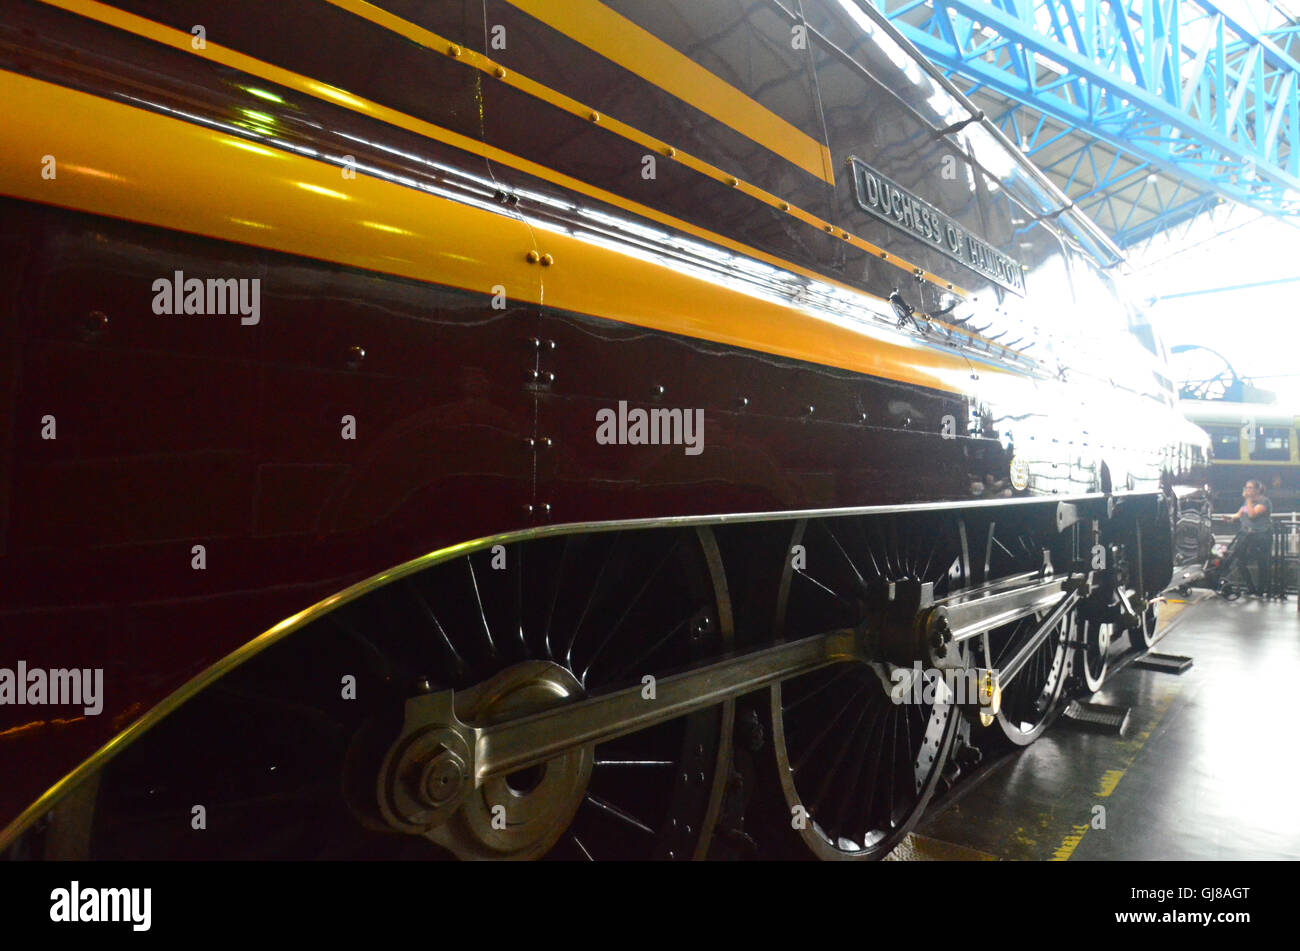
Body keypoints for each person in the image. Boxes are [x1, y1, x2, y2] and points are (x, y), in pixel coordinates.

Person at [1227, 479, 1273, 596]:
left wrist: (1248, 500)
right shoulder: (1247, 503)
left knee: (1262, 563)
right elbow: (1240, 513)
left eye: (1250, 487)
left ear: (1257, 489)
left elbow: (1252, 515)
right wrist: (1230, 518)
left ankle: (1261, 590)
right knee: (1239, 561)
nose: (1247, 490)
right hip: (1246, 535)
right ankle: (1250, 587)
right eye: (1246, 487)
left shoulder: (1264, 501)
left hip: (1261, 536)